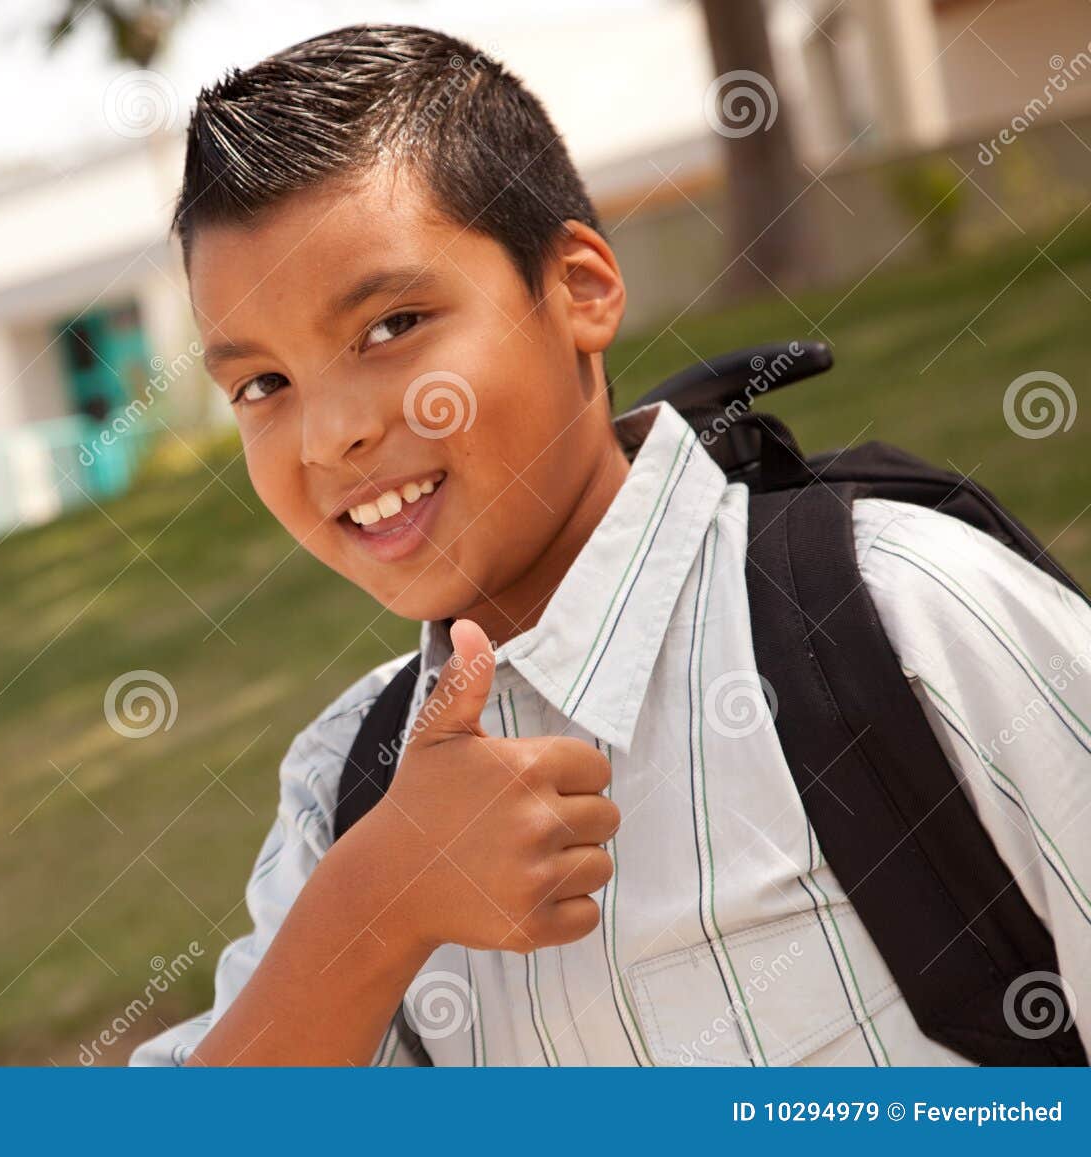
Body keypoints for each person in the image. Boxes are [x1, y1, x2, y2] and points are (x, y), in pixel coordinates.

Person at [130, 23, 1091, 1066]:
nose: (331, 434)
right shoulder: (345, 794)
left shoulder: (901, 613)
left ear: (580, 289)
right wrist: (375, 904)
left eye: (393, 324)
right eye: (261, 385)